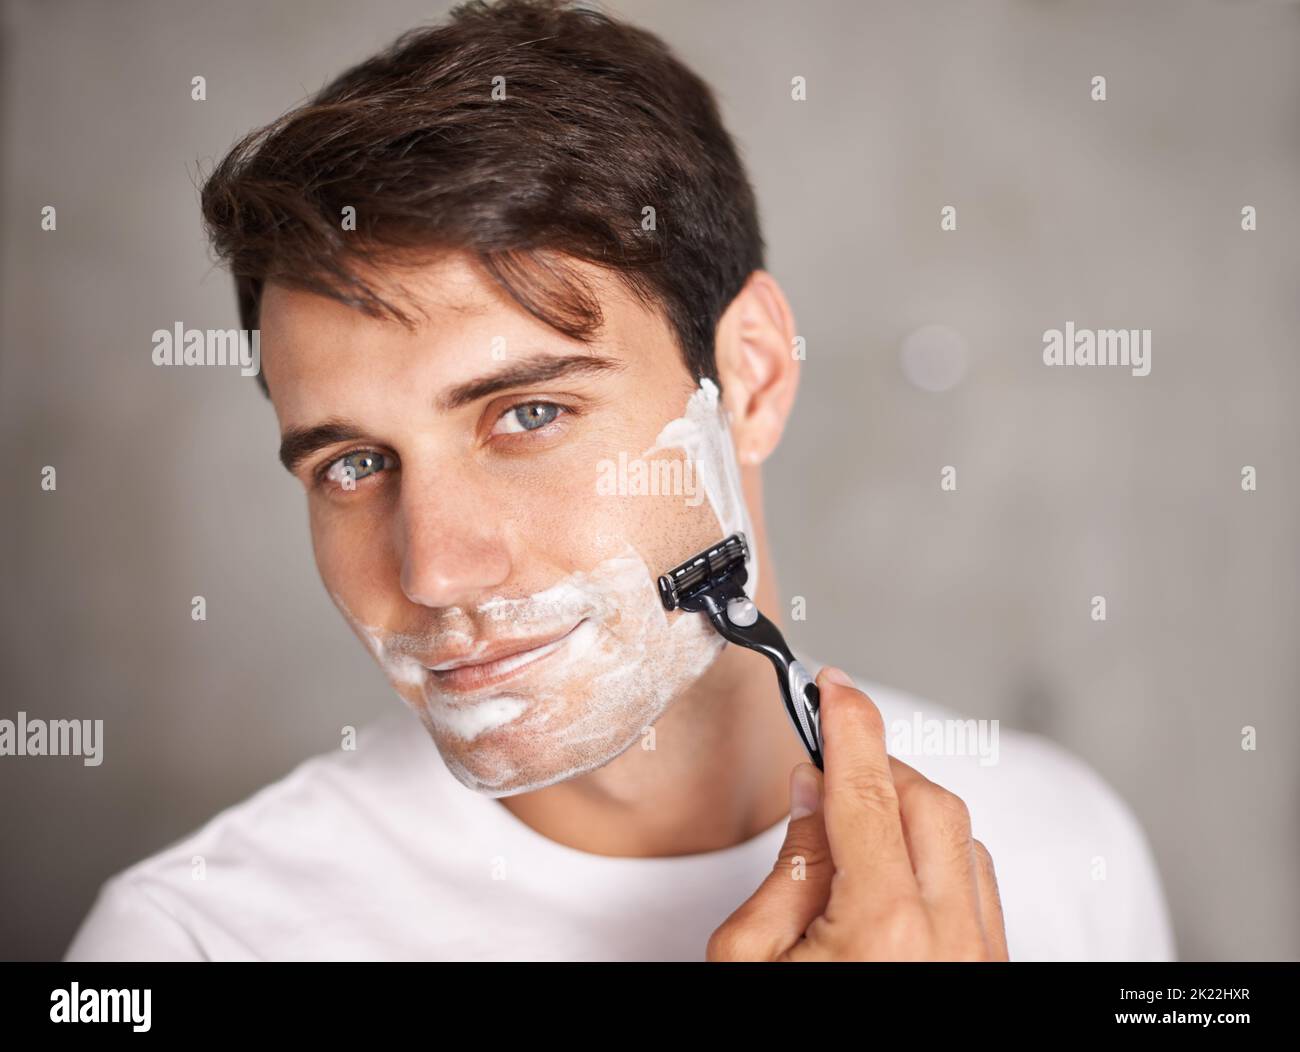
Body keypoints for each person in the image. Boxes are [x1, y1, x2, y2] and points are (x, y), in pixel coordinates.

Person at [65, 0, 1174, 961]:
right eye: (353, 463)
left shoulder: (1051, 846)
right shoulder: (199, 941)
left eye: (529, 412)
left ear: (749, 375)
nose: (437, 569)